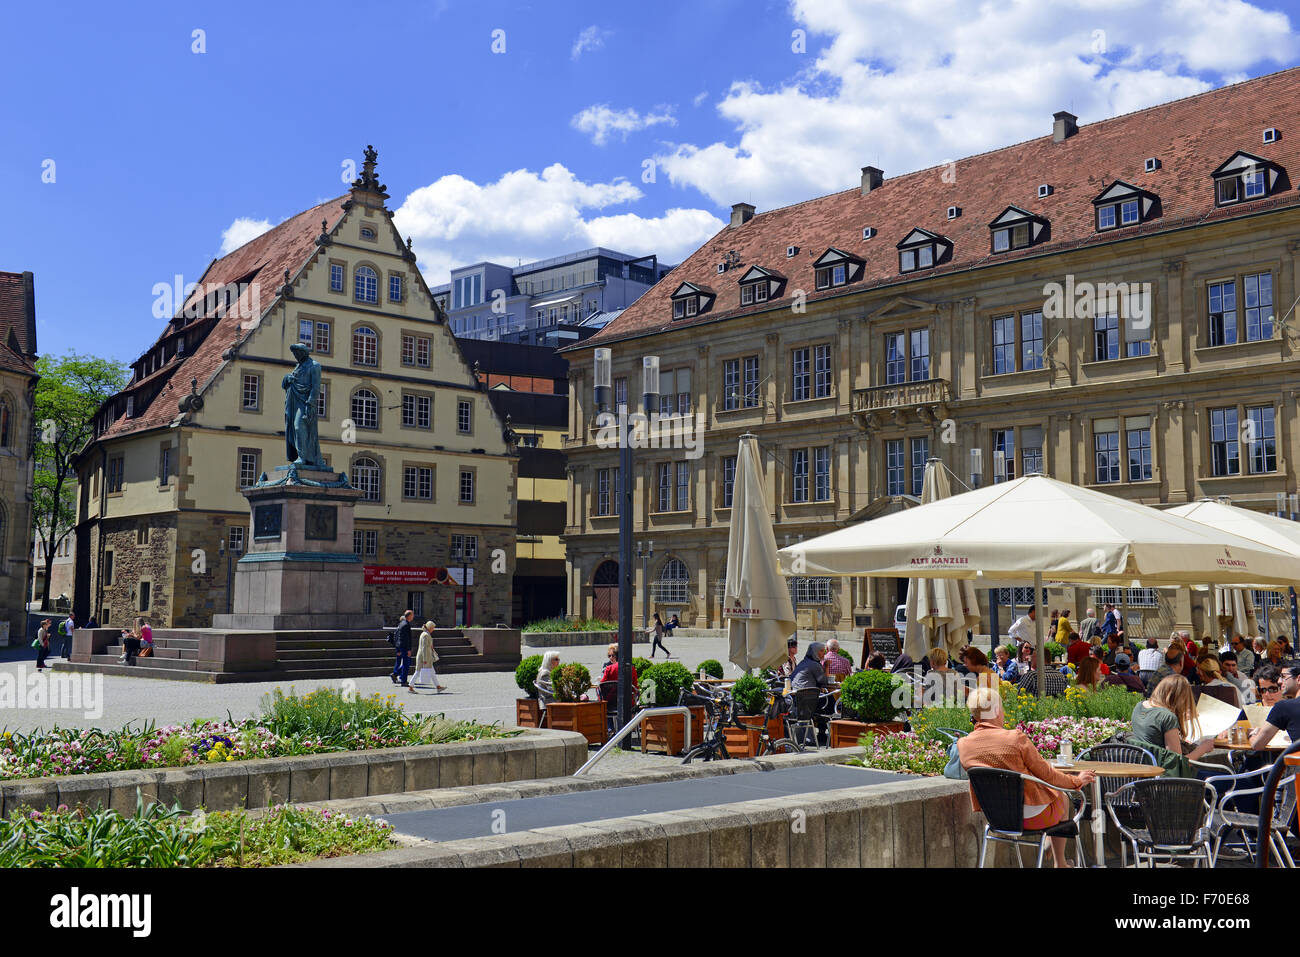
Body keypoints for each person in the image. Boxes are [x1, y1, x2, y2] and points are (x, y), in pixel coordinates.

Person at [956, 687, 1096, 868]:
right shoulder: (1015, 738)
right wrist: (1076, 780)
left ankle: (1053, 853)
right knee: (1062, 796)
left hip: (996, 818)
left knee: (1055, 795)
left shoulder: (963, 744)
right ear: (997, 710)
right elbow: (1047, 774)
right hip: (1034, 816)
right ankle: (1059, 863)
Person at [1130, 675, 1216, 776]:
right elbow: (1178, 764)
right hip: (1172, 782)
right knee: (1234, 779)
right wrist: (1203, 748)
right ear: (1180, 697)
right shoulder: (1167, 717)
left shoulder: (1139, 707)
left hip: (1146, 774)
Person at [790, 641, 834, 745]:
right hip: (807, 699)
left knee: (827, 700)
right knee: (830, 702)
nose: (824, 653)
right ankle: (824, 732)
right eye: (821, 651)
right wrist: (827, 666)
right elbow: (824, 681)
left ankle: (821, 733)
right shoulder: (814, 665)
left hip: (797, 698)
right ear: (815, 652)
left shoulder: (804, 662)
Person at [1249, 663, 1300, 752]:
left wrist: (1251, 735)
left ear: (1299, 679)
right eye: (1263, 690)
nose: (1280, 681)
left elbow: (1257, 745)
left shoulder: (1284, 707)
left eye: (1284, 676)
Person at [410, 620, 445, 694]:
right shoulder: (426, 635)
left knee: (432, 672)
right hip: (424, 657)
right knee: (418, 671)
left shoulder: (425, 634)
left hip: (426, 657)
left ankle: (438, 686)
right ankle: (410, 686)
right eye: (432, 628)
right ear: (429, 627)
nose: (433, 629)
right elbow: (424, 648)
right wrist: (425, 659)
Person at [389, 609, 414, 687]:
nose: (413, 616)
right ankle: (403, 681)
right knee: (406, 664)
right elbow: (406, 639)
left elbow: (397, 636)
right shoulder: (406, 624)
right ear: (409, 616)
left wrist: (398, 648)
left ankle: (395, 674)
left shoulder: (401, 623)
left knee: (407, 663)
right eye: (412, 615)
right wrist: (409, 649)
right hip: (404, 647)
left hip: (401, 646)